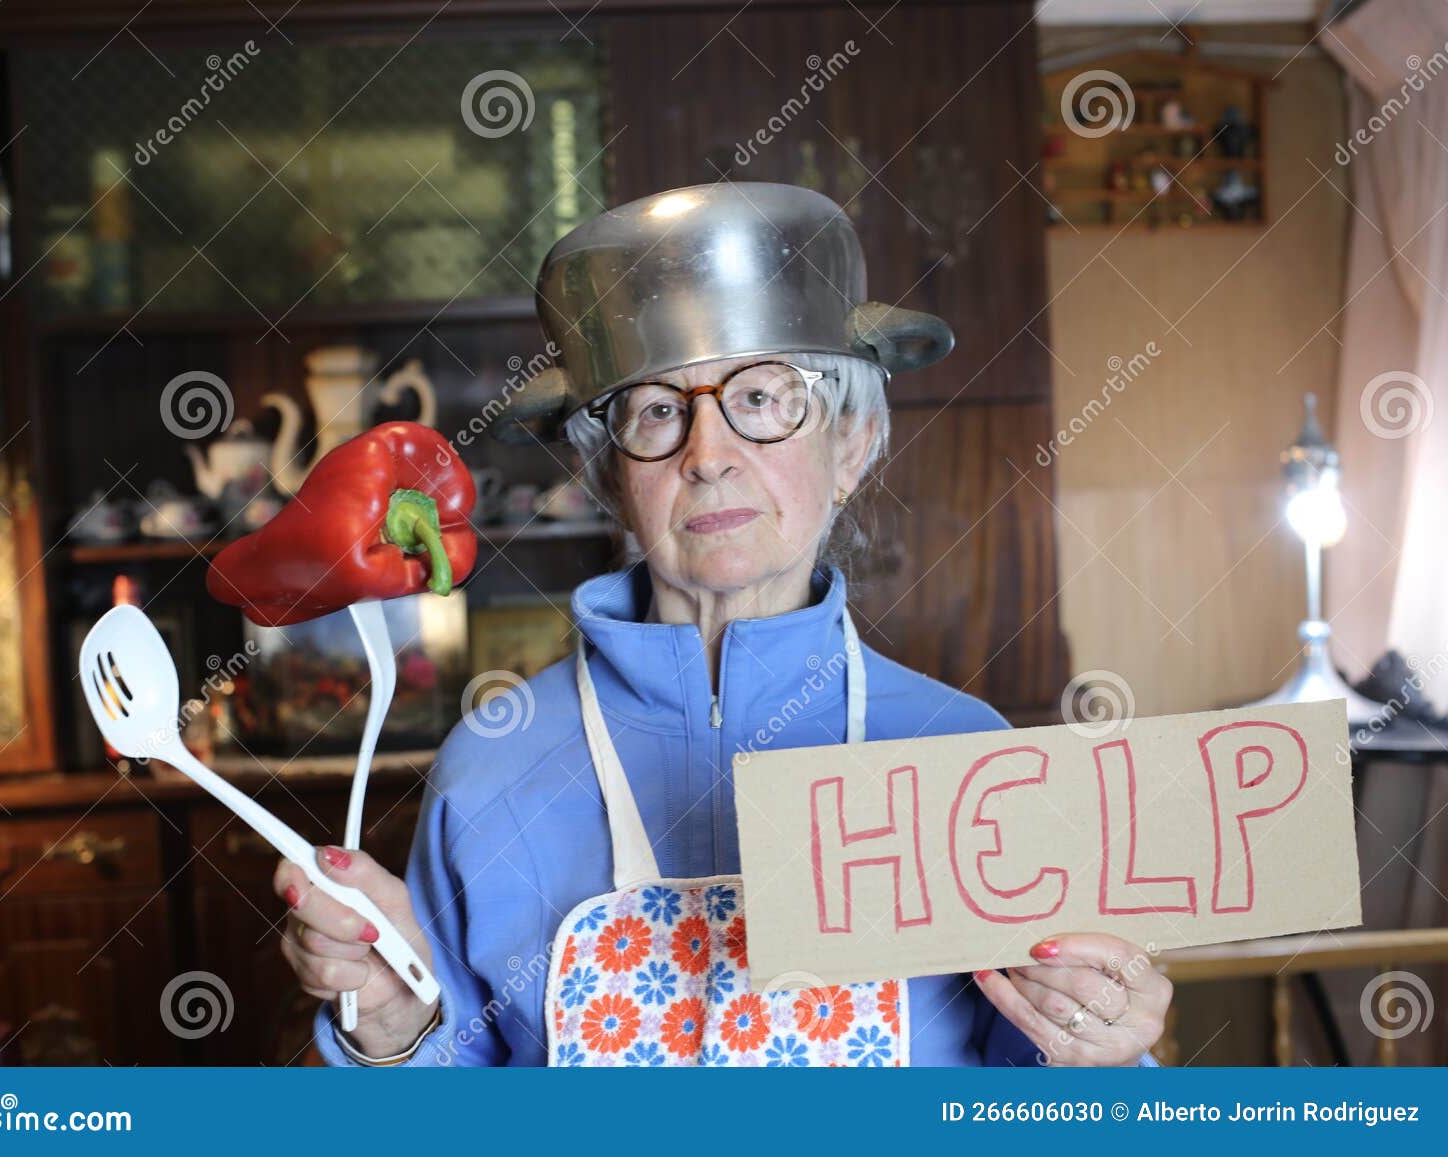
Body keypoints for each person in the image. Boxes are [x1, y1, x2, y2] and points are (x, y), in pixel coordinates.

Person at [274, 182, 1171, 1067]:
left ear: (850, 445)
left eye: (764, 397)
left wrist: (1097, 1046)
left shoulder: (967, 758)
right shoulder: (490, 762)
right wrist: (389, 1027)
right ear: (607, 477)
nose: (709, 457)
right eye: (658, 410)